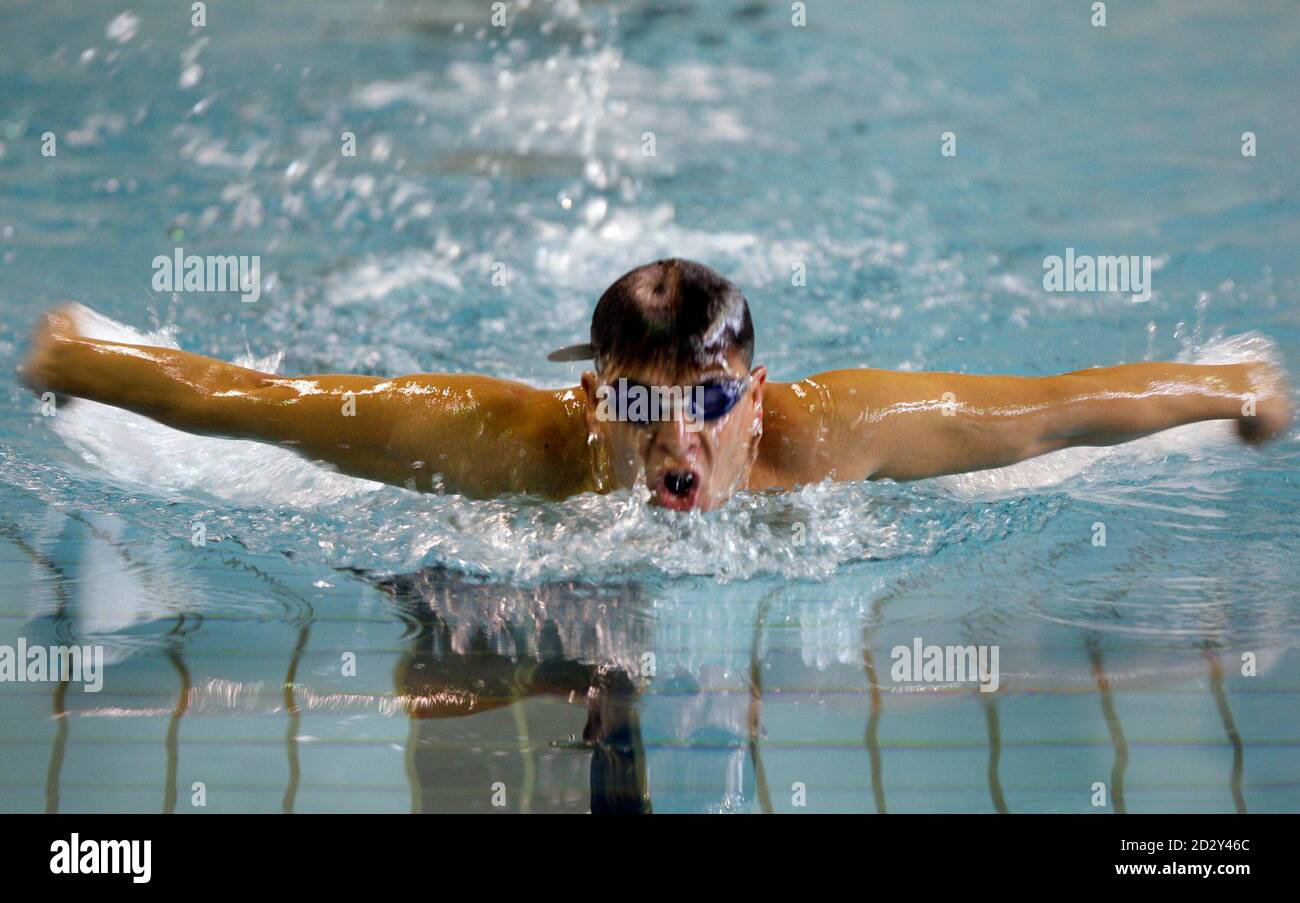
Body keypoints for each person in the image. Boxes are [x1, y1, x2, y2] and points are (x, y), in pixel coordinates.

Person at [20, 258, 1293, 512]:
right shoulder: (503, 445)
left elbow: (1056, 408)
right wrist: (81, 354)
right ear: (593, 400)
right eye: (637, 405)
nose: (677, 445)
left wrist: (1232, 387)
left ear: (758, 395)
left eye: (713, 405)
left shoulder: (830, 435)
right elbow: (253, 402)